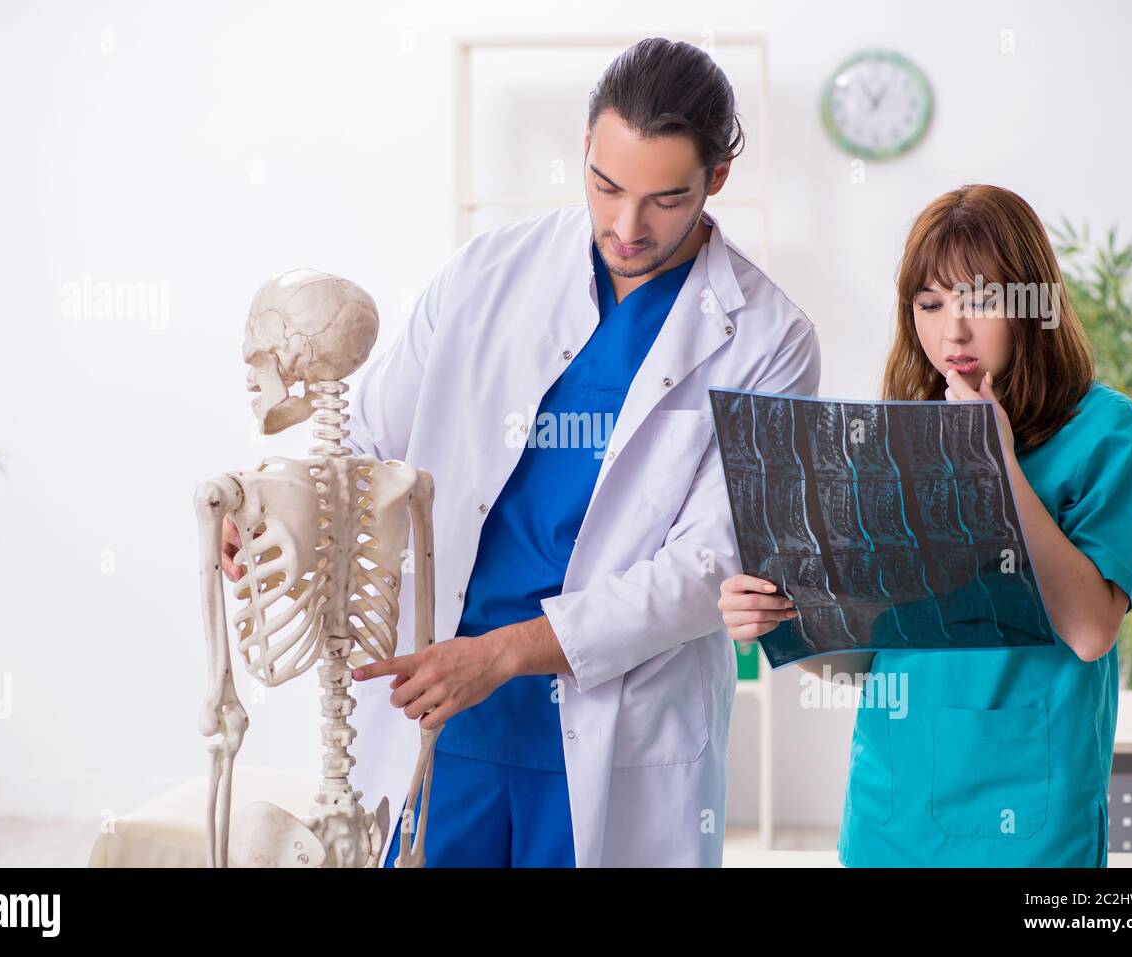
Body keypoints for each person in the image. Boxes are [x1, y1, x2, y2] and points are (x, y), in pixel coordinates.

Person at [223, 37, 820, 866]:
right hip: (445, 705)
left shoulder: (768, 337)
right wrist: (276, 509)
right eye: (606, 186)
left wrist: (503, 653)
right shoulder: (488, 273)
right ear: (583, 147)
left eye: (664, 199)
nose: (626, 225)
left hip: (616, 714)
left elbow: (713, 567)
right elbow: (368, 437)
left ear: (717, 178)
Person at [719, 184, 1132, 866]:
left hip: (1032, 820)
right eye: (930, 303)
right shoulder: (891, 437)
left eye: (980, 300)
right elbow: (865, 659)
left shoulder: (1103, 429)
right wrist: (781, 616)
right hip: (893, 813)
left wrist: (995, 461)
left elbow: (1092, 630)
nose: (952, 330)